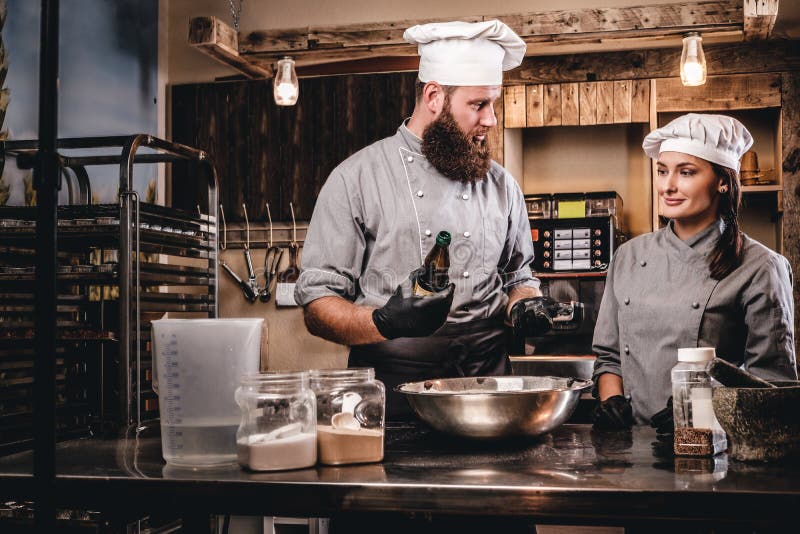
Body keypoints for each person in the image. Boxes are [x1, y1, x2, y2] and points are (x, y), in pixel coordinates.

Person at [294, 20, 546, 418]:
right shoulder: (356, 178)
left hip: (488, 388)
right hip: (392, 393)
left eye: (493, 104)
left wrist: (525, 307)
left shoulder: (502, 186)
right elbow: (317, 305)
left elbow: (520, 279)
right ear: (433, 96)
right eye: (479, 105)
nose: (492, 119)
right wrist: (384, 321)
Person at [592, 113, 797, 430]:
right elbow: (609, 357)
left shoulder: (760, 267)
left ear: (722, 181)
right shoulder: (628, 256)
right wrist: (611, 402)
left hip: (714, 450)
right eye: (662, 171)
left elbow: (770, 383)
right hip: (630, 450)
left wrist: (703, 407)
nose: (668, 186)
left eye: (686, 172)